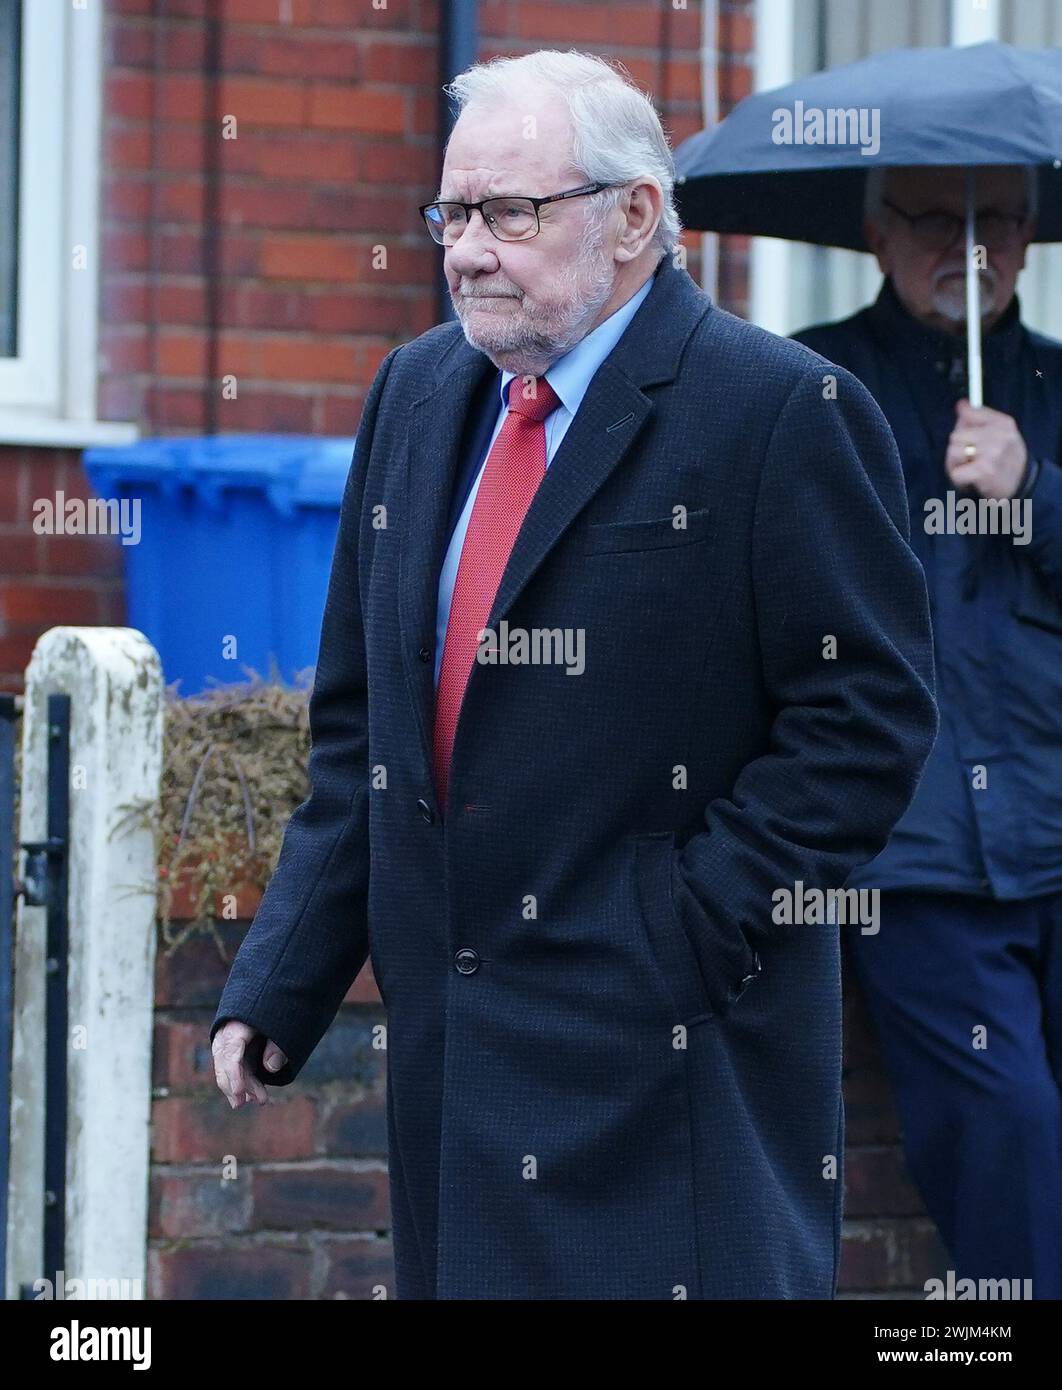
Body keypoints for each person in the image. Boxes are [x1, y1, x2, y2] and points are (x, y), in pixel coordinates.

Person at [211, 50, 937, 1300]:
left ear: (634, 219)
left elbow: (865, 719)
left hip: (668, 1074)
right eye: (453, 215)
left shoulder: (778, 410)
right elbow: (363, 733)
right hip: (460, 1068)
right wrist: (279, 981)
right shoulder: (417, 394)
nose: (469, 251)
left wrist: (689, 924)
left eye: (511, 213)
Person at [794, 164, 1062, 1298]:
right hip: (916, 842)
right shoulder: (810, 383)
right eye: (933, 217)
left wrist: (1033, 490)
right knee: (1007, 1119)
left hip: (1055, 821)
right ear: (872, 234)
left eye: (996, 217)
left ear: (1032, 235)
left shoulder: (1054, 384)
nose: (970, 243)